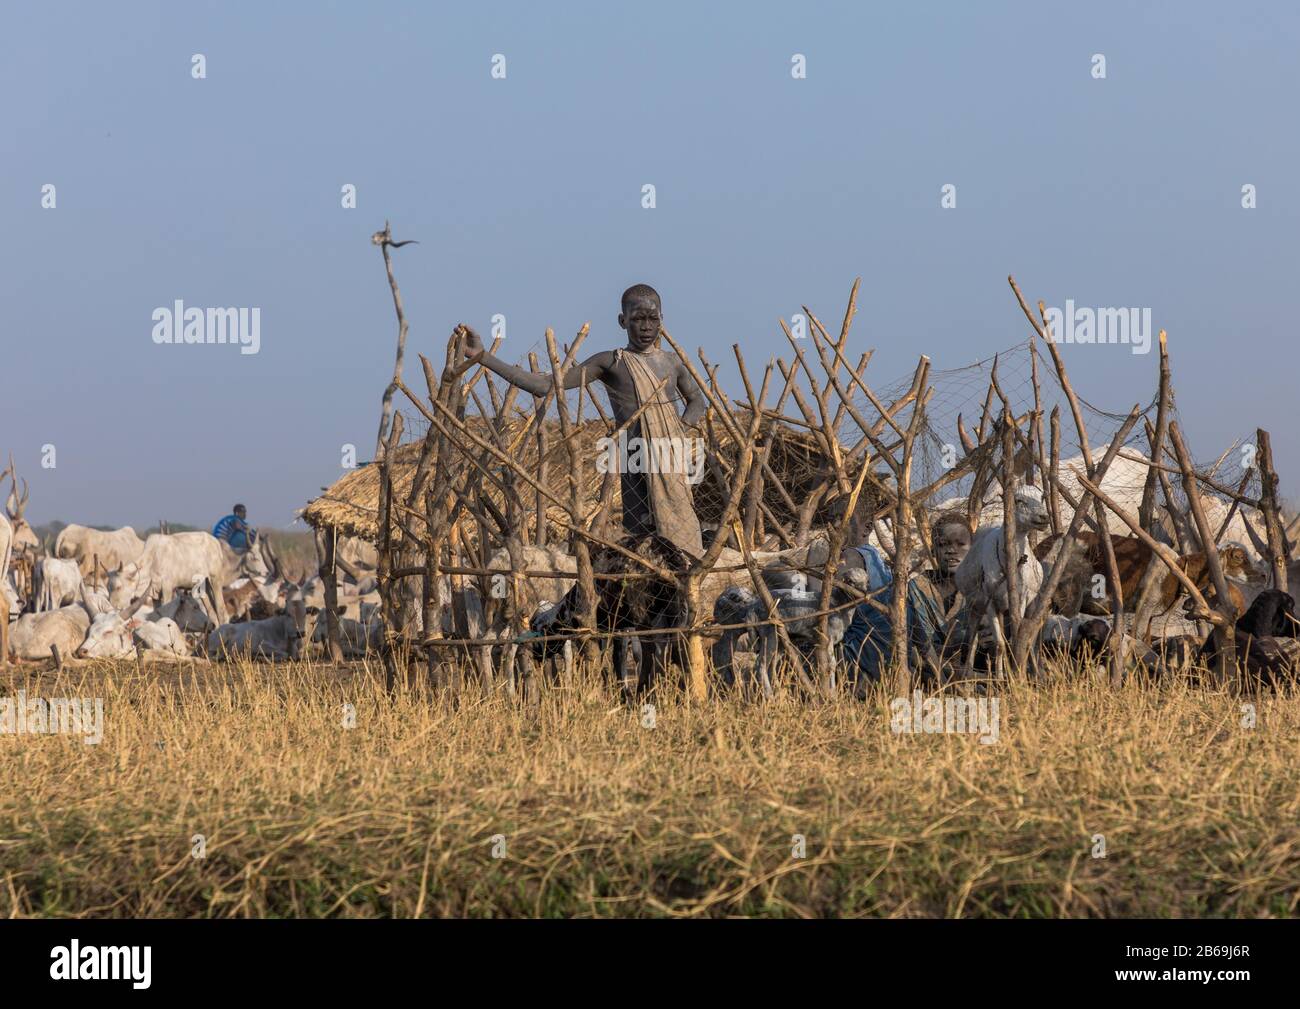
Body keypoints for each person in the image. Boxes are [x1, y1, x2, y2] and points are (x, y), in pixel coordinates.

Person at [462, 284, 708, 560]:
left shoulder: (672, 362)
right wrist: (483, 357)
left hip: (669, 457)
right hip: (633, 457)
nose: (646, 326)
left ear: (662, 319)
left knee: (683, 534)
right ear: (622, 321)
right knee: (643, 539)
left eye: (653, 318)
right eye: (638, 318)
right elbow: (544, 386)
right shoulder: (612, 362)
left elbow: (697, 401)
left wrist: (678, 430)